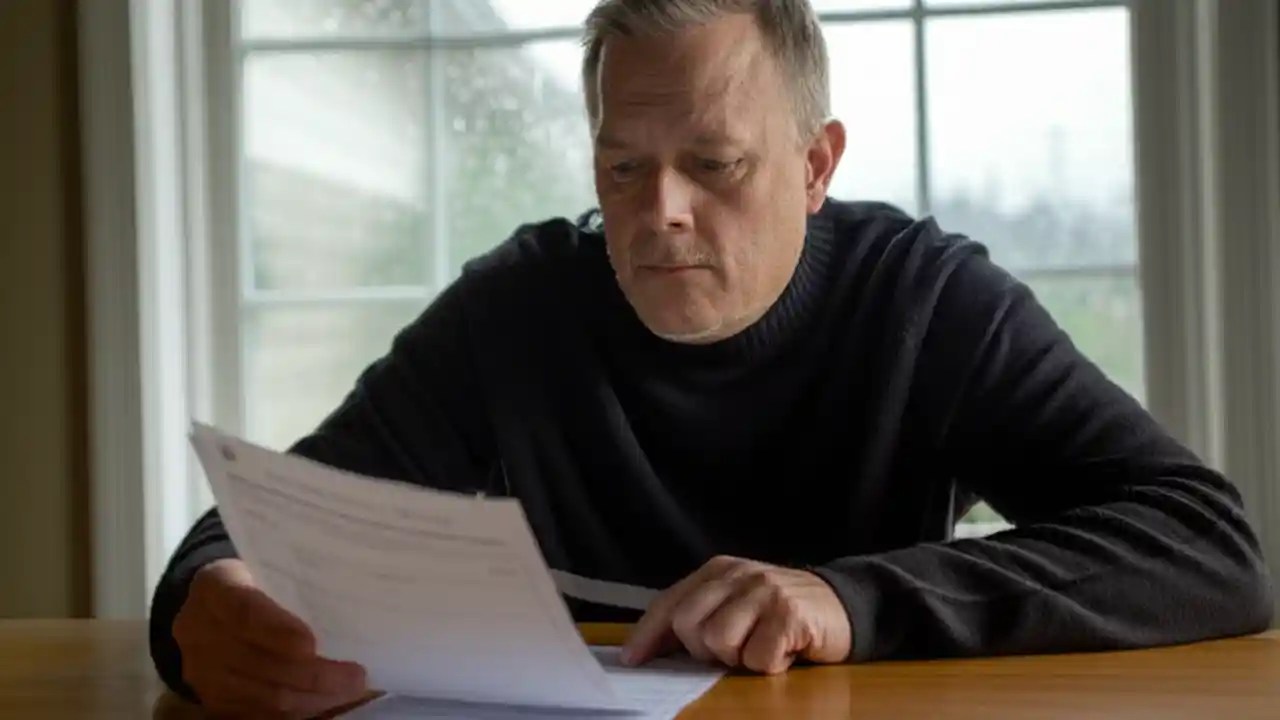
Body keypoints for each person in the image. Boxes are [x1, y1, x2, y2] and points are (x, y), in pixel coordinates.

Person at [150, 0, 1274, 716]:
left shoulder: (925, 304)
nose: (660, 215)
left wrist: (847, 601)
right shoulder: (516, 315)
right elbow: (271, 519)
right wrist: (207, 596)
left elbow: (1206, 546)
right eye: (623, 169)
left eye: (714, 163)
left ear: (813, 165)